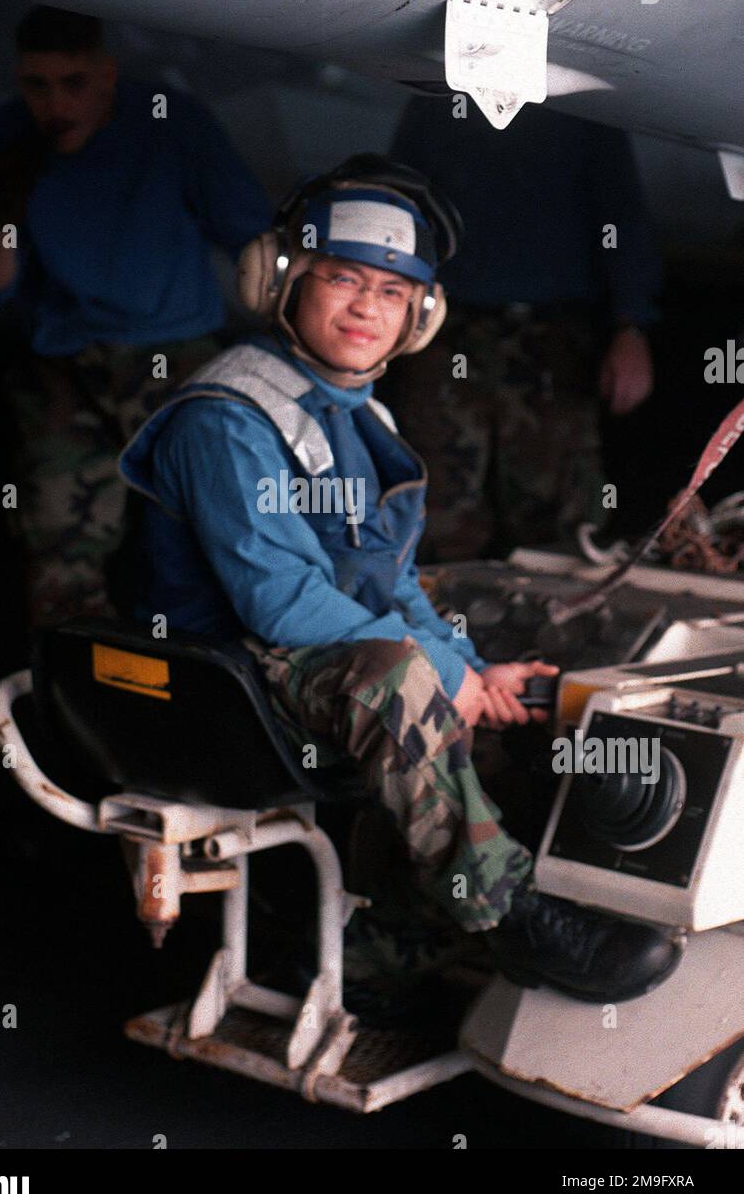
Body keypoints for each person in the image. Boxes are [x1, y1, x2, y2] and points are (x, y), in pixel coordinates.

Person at [118, 153, 682, 1003]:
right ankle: (511, 913)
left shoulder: (361, 416)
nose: (366, 310)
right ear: (281, 280)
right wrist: (434, 671)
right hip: (222, 673)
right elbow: (280, 603)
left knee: (513, 673)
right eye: (343, 279)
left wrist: (473, 669)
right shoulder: (225, 418)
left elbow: (392, 584)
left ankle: (388, 941)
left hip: (298, 664)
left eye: (391, 292)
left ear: (419, 315)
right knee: (396, 679)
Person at [0, 6, 271, 627]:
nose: (55, 104)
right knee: (58, 556)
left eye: (74, 83)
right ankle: (79, 701)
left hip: (176, 358)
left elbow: (255, 243)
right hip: (65, 365)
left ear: (107, 74)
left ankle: (202, 687)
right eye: (36, 85)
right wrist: (6, 203)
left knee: (210, 539)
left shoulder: (170, 120)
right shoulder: (10, 133)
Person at [387, 98, 662, 562]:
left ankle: (559, 625)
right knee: (437, 507)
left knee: (561, 521)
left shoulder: (581, 102)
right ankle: (439, 625)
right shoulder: (440, 95)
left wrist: (632, 326)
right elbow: (401, 204)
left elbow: (619, 212)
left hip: (550, 335)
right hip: (448, 326)